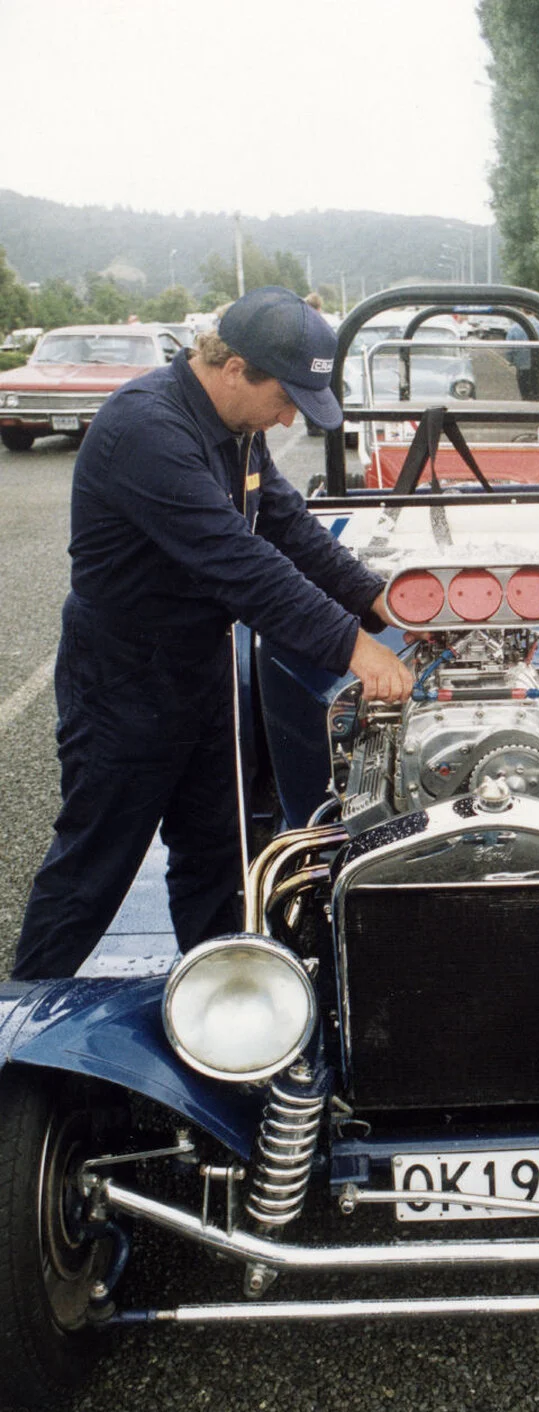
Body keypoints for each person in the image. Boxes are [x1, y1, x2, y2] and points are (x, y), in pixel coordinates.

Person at [13, 285, 412, 981]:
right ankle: (26, 1038)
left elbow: (287, 527)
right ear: (234, 369)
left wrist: (384, 605)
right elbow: (241, 562)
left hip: (200, 665)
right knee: (95, 864)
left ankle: (229, 1002)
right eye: (285, 399)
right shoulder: (147, 430)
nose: (288, 417)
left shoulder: (237, 431)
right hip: (123, 674)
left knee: (215, 854)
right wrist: (354, 647)